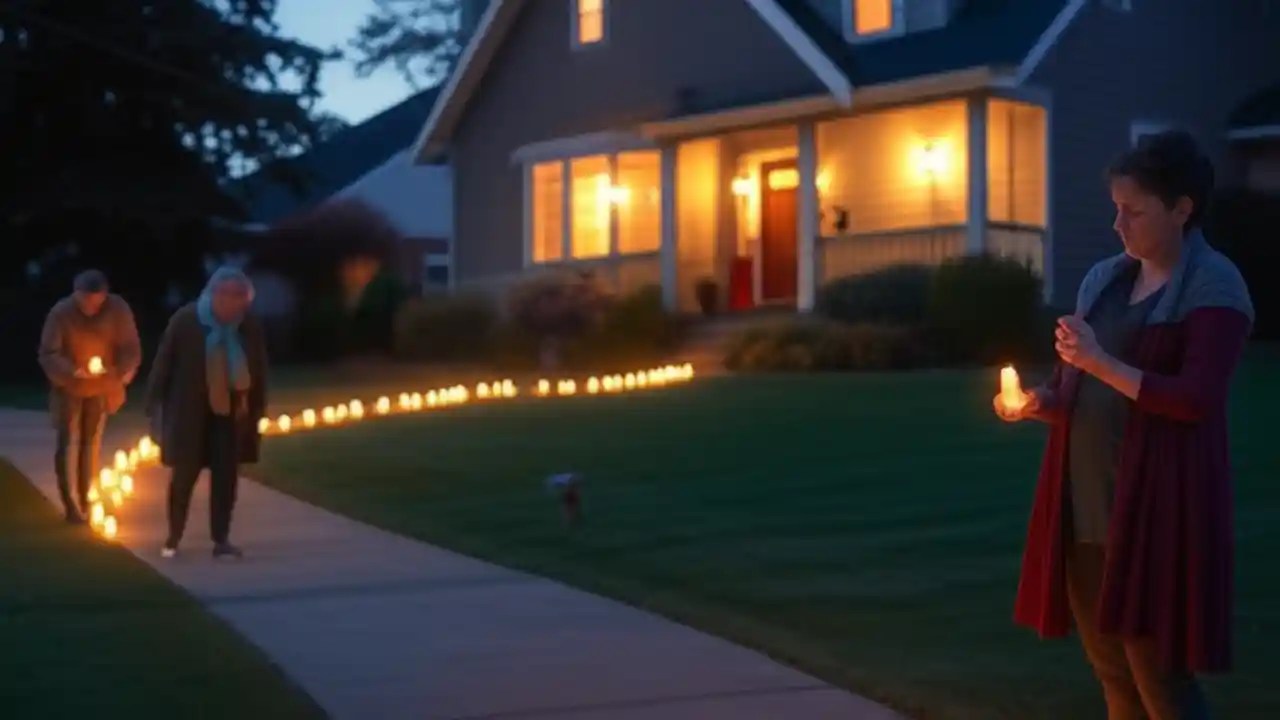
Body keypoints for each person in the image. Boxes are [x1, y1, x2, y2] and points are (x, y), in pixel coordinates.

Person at [996, 130, 1252, 719]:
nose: (1118, 224)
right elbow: (1075, 392)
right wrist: (1036, 402)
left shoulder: (1214, 285)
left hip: (1157, 512)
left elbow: (1195, 400)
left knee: (1161, 681)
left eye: (1133, 211)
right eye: (1116, 208)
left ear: (1182, 209)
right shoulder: (1105, 281)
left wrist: (1098, 362)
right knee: (1113, 675)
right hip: (1087, 508)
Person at [144, 267, 268, 560]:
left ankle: (221, 539)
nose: (233, 304)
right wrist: (154, 407)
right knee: (184, 475)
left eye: (240, 298)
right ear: (214, 294)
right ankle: (174, 537)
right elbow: (163, 363)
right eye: (227, 296)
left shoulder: (248, 325)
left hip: (231, 412)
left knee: (226, 476)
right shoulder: (186, 320)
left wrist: (256, 409)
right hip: (189, 412)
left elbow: (258, 368)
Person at [37, 270, 142, 523]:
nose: (91, 308)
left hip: (102, 387)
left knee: (91, 443)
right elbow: (48, 353)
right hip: (69, 387)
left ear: (105, 296)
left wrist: (120, 372)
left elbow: (130, 348)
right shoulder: (61, 313)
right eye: (86, 301)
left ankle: (87, 499)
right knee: (67, 443)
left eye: (97, 302)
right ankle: (69, 504)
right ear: (76, 294)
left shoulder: (118, 310)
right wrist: (73, 370)